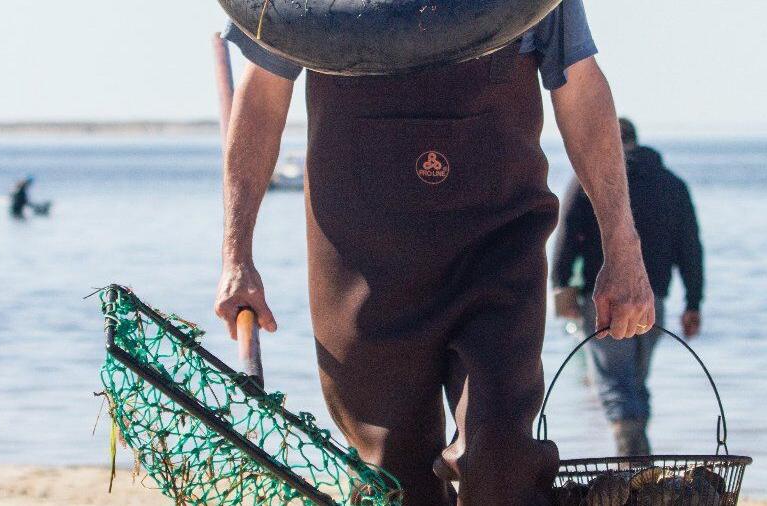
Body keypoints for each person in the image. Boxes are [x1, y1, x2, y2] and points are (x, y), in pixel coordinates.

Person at [215, 3, 656, 504]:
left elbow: (580, 88)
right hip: (360, 266)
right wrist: (237, 257)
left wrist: (623, 249)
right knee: (392, 478)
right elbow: (262, 96)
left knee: (499, 458)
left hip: (495, 251)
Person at [552, 118, 704, 457]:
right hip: (654, 301)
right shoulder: (672, 185)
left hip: (604, 300)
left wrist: (561, 289)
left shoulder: (589, 181)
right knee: (635, 383)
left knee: (615, 382)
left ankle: (630, 458)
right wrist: (693, 304)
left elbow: (566, 239)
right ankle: (641, 464)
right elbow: (691, 249)